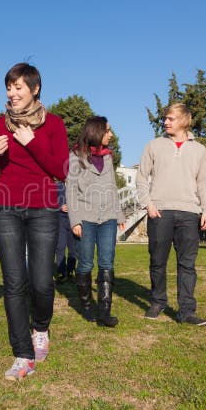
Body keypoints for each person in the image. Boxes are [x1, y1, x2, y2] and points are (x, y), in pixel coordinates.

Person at [0, 62, 69, 381]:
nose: (12, 93)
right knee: (14, 282)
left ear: (35, 89)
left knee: (42, 281)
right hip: (7, 207)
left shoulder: (54, 124)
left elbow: (61, 170)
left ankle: (41, 327)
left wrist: (32, 142)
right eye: (9, 87)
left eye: (18, 87)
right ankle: (23, 354)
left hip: (43, 208)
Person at [135, 102, 206, 326]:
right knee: (157, 261)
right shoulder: (153, 145)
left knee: (187, 264)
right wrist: (148, 204)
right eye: (165, 118)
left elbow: (203, 183)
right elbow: (141, 178)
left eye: (171, 118)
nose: (165, 122)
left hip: (190, 213)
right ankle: (158, 301)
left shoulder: (199, 150)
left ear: (184, 121)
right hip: (160, 212)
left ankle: (186, 311)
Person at [66, 116, 125, 327]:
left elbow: (112, 187)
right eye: (107, 131)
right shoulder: (75, 157)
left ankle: (105, 311)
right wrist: (75, 221)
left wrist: (119, 215)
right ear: (96, 132)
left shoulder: (108, 157)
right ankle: (87, 306)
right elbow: (71, 190)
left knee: (107, 262)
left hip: (108, 217)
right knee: (86, 263)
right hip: (85, 218)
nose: (111, 135)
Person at [54, 181, 77, 284]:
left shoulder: (77, 186)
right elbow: (51, 202)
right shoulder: (57, 186)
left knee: (73, 248)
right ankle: (61, 273)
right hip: (60, 220)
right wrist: (60, 207)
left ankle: (71, 271)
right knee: (60, 247)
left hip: (74, 220)